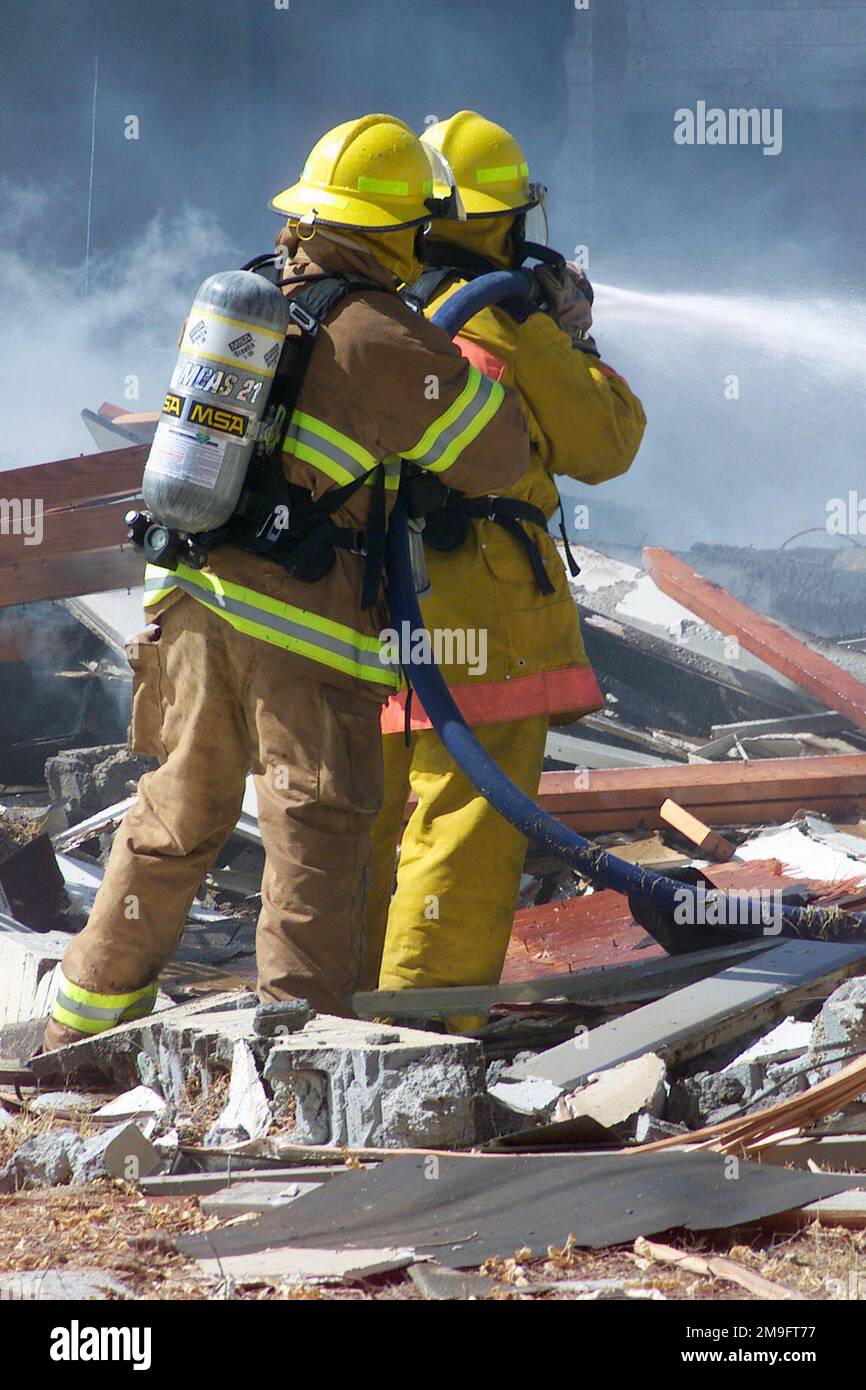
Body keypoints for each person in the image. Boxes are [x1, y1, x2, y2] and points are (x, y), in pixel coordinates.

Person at [44, 114, 531, 1051]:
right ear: (406, 231)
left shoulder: (247, 298)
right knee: (318, 837)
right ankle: (303, 1059)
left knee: (176, 813)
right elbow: (499, 455)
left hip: (187, 604)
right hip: (302, 635)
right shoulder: (385, 336)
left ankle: (83, 1020)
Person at [362, 111, 646, 1031]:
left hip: (352, 604)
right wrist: (575, 334)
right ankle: (422, 1038)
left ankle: (337, 1025)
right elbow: (603, 445)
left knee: (363, 829)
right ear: (493, 215)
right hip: (478, 611)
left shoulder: (359, 293)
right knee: (466, 832)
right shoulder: (500, 312)